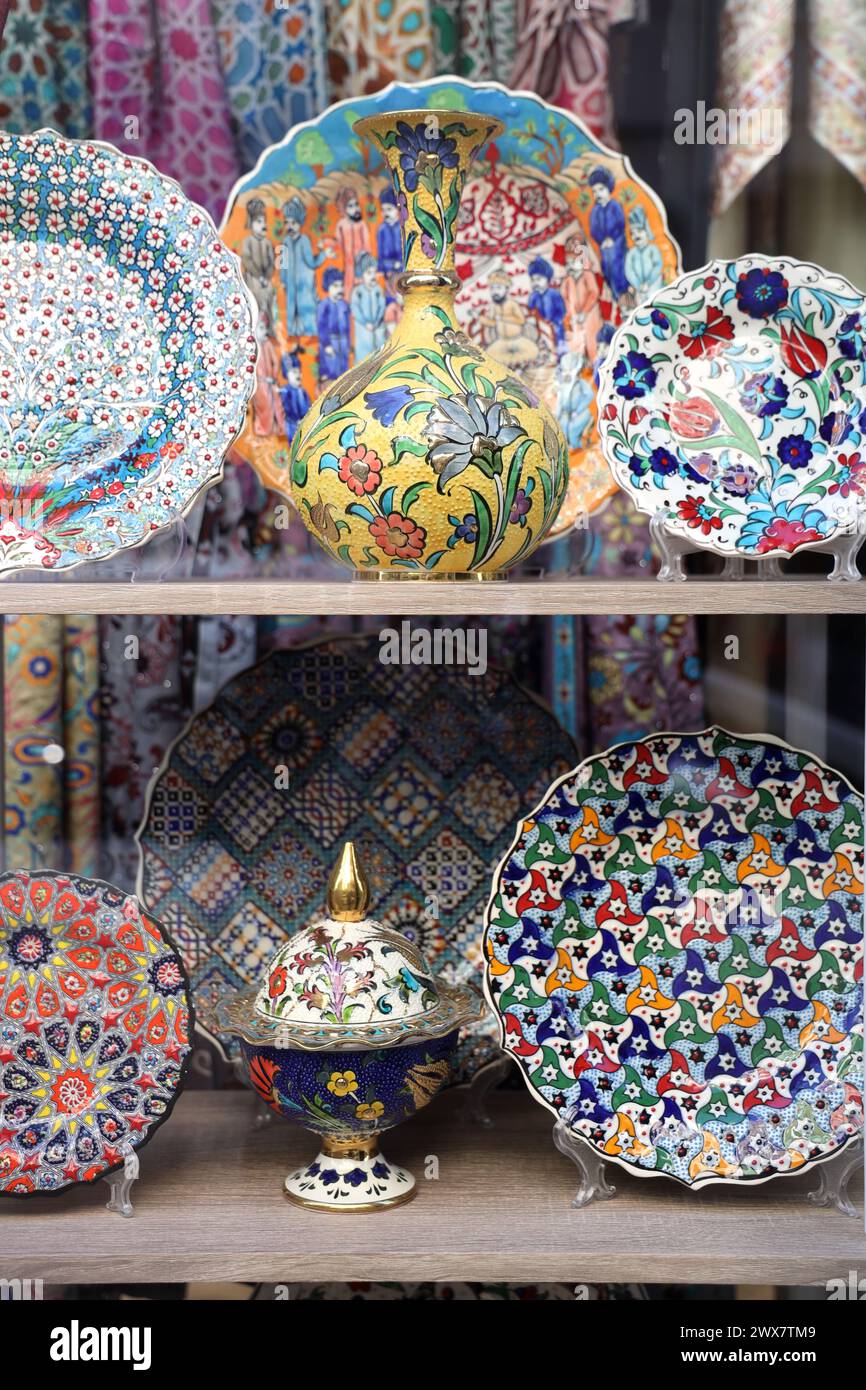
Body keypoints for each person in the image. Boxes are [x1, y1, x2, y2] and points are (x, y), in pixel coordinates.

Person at [281, 195, 332, 338]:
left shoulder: (304, 240)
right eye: (287, 222)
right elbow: (282, 263)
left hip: (304, 284)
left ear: (300, 223)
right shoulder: (285, 241)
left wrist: (322, 254)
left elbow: (311, 262)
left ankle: (311, 333)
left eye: (293, 223)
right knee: (291, 309)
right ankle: (292, 333)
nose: (290, 226)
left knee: (307, 307)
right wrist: (283, 279)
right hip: (290, 284)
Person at [478, 269, 541, 369]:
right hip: (502, 341)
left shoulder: (512, 304)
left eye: (498, 288)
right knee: (494, 361)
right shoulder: (494, 306)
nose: (495, 291)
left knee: (525, 360)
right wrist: (480, 318)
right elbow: (493, 323)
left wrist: (503, 318)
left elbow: (521, 320)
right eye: (492, 288)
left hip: (518, 340)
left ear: (506, 289)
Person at [588, 166, 629, 303]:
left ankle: (622, 294)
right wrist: (602, 240)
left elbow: (620, 224)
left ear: (608, 189)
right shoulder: (595, 211)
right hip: (604, 247)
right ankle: (613, 295)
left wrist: (612, 238)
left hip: (617, 244)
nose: (598, 194)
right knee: (607, 268)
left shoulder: (615, 206)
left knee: (618, 267)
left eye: (601, 190)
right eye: (594, 191)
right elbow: (594, 230)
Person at [561, 236, 603, 361]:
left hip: (589, 314)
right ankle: (583, 365)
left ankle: (595, 361)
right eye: (569, 261)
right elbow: (565, 297)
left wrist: (584, 311)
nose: (571, 264)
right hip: (576, 316)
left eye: (574, 261)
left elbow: (594, 293)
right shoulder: (568, 280)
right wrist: (570, 313)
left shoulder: (587, 275)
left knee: (592, 339)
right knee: (578, 341)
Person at [240, 197, 277, 329]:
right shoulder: (248, 242)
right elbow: (247, 260)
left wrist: (266, 276)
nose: (263, 225)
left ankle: (269, 328)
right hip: (253, 279)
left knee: (269, 298)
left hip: (265, 280)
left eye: (264, 221)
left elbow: (271, 262)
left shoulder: (267, 243)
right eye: (259, 222)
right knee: (254, 301)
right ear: (251, 223)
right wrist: (258, 276)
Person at [252, 315, 285, 437]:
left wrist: (274, 377)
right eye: (261, 328)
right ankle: (263, 429)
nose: (264, 331)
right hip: (259, 383)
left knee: (276, 405)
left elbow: (275, 362)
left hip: (270, 381)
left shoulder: (268, 344)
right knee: (263, 407)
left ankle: (276, 428)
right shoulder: (252, 346)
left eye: (265, 328)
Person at [334, 187, 370, 298]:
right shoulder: (341, 225)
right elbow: (337, 244)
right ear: (344, 209)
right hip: (348, 267)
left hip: (362, 264)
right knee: (348, 294)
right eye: (351, 206)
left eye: (356, 204)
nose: (355, 208)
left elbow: (368, 248)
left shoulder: (362, 225)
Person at [624, 205, 664, 305]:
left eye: (639, 231)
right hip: (639, 289)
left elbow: (658, 266)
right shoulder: (631, 253)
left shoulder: (653, 249)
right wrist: (638, 284)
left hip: (654, 285)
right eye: (633, 233)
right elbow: (629, 271)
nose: (636, 235)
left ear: (647, 231)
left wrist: (649, 282)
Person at [317, 266, 351, 382]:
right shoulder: (324, 305)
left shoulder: (344, 304)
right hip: (331, 342)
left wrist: (349, 343)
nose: (339, 289)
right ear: (328, 287)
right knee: (331, 370)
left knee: (343, 371)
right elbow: (321, 326)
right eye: (335, 286)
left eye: (340, 285)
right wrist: (326, 344)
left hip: (343, 341)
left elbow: (348, 326)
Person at [350, 252, 387, 359]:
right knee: (364, 358)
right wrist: (365, 323)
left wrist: (376, 322)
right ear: (361, 275)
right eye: (368, 273)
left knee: (378, 356)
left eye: (374, 272)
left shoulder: (378, 290)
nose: (373, 276)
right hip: (363, 331)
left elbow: (381, 307)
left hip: (377, 329)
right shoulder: (357, 291)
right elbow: (355, 309)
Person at [527, 256, 566, 353]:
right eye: (533, 280)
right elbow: (530, 311)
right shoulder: (533, 297)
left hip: (555, 328)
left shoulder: (554, 294)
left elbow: (561, 312)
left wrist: (555, 321)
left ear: (547, 279)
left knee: (557, 346)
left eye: (538, 279)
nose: (535, 283)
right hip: (540, 328)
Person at [558, 351, 594, 450]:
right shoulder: (563, 385)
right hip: (567, 414)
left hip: (581, 412)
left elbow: (590, 395)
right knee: (562, 429)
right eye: (565, 371)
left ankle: (580, 444)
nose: (567, 373)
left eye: (570, 370)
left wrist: (578, 410)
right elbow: (560, 402)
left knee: (573, 432)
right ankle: (569, 446)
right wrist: (557, 416)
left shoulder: (580, 383)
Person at [280, 350, 311, 440]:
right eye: (294, 372)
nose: (298, 375)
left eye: (299, 372)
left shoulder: (303, 391)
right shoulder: (285, 391)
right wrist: (294, 419)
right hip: (292, 424)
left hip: (303, 424)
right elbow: (285, 408)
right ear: (287, 375)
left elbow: (308, 406)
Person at [376, 186, 403, 293]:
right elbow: (380, 253)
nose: (385, 213)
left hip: (401, 268)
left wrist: (400, 264)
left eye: (389, 209)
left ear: (397, 209)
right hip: (388, 269)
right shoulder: (382, 229)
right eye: (383, 210)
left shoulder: (402, 227)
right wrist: (382, 269)